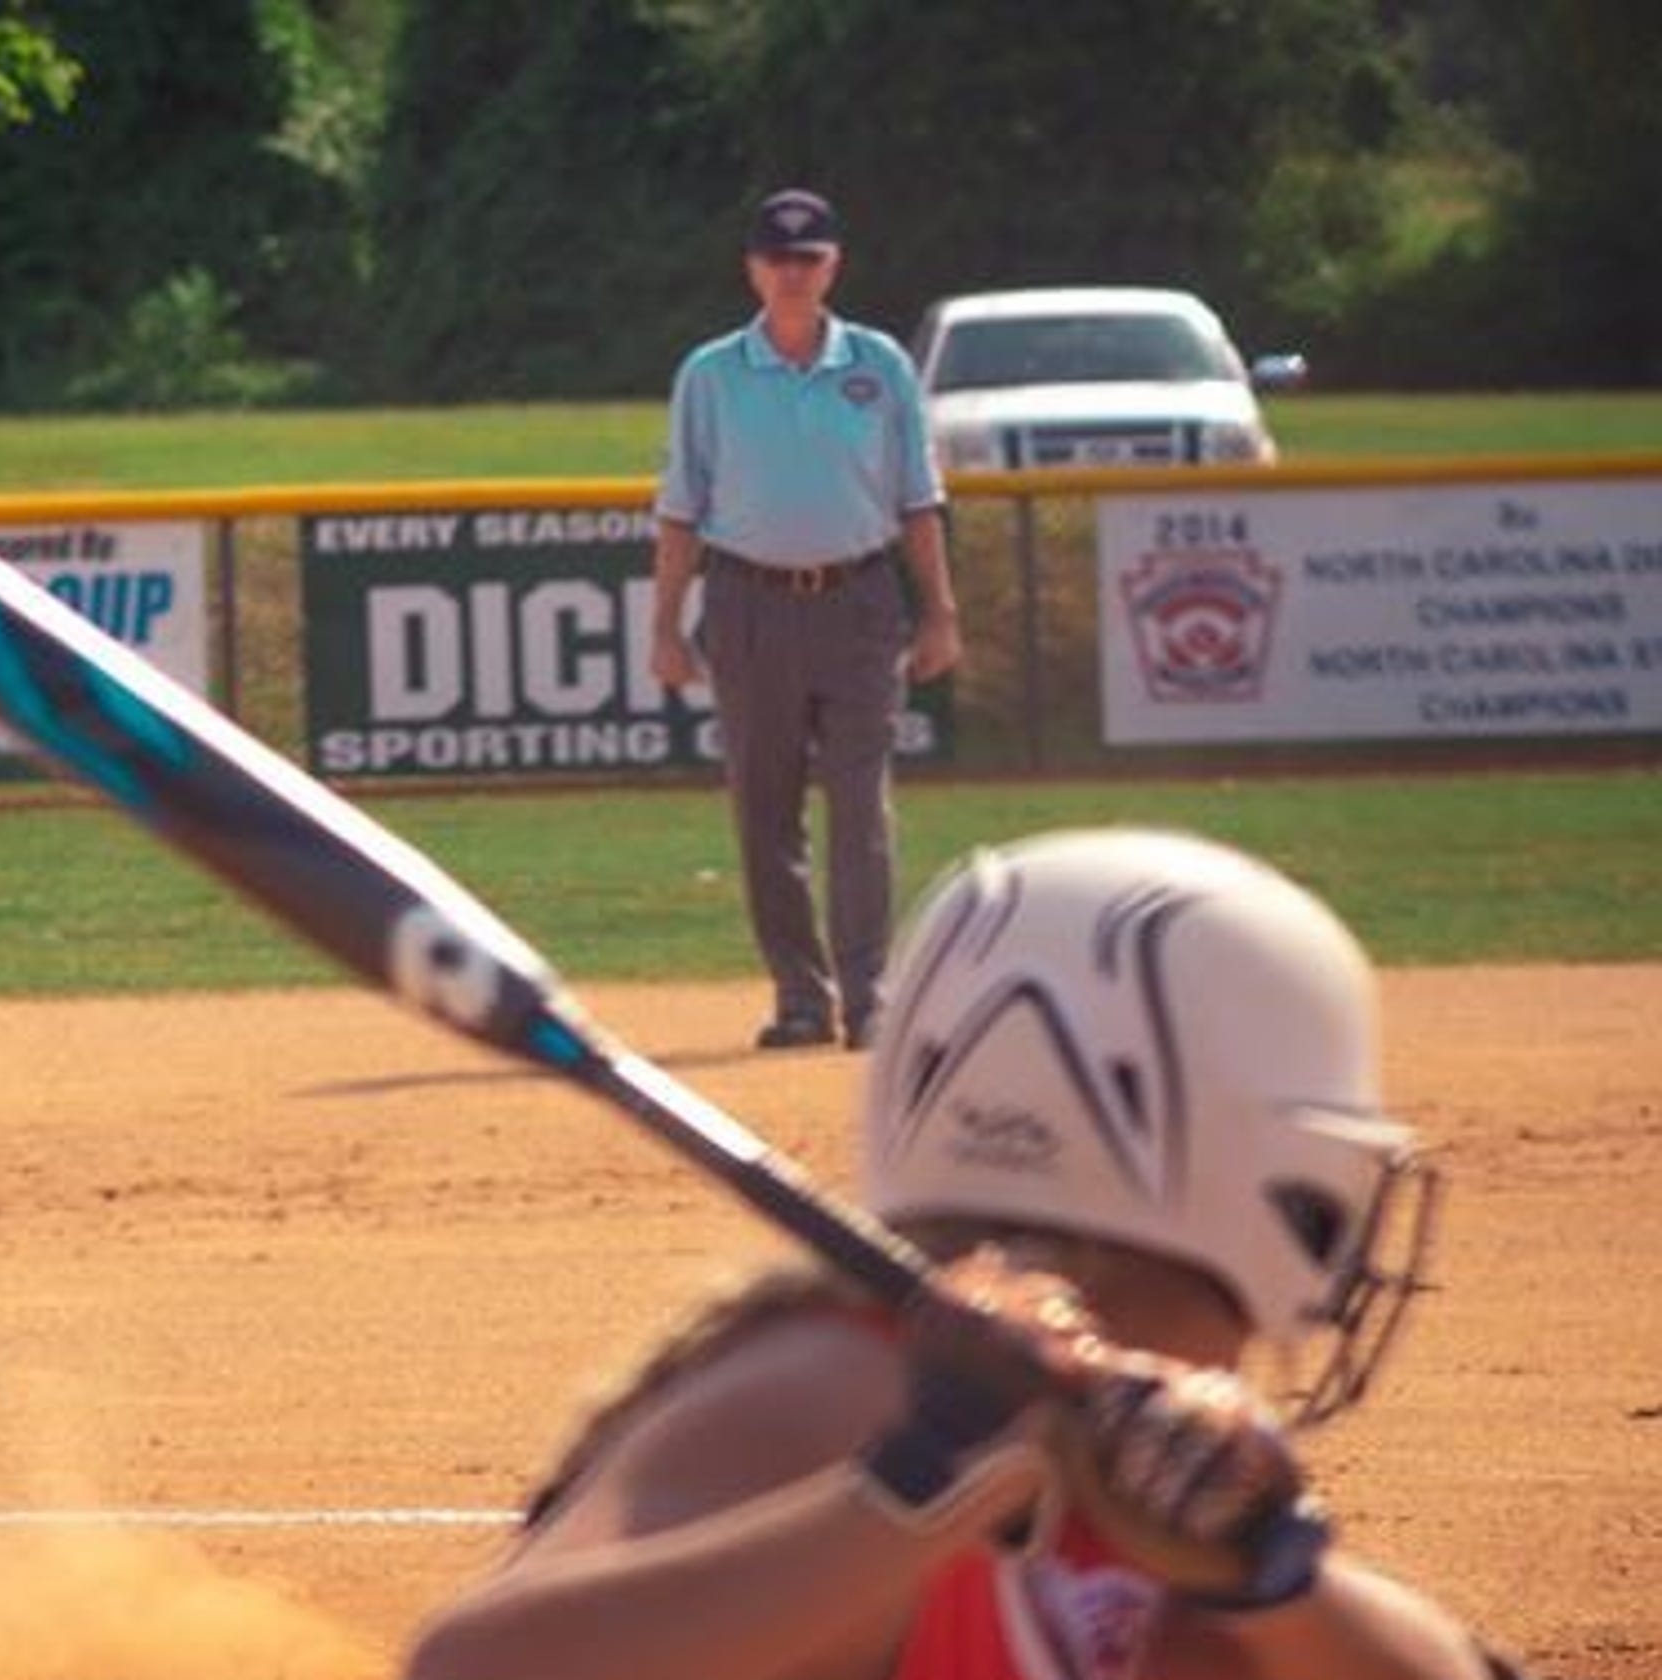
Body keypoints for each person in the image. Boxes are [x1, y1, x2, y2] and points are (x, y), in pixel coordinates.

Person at [402, 827, 1521, 1680]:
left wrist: (1274, 1578)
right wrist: (912, 1488)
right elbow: (470, 1667)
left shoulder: (1147, 1460)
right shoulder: (841, 1385)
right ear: (1258, 1166)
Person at [648, 187, 964, 1052]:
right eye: (778, 258)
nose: (793, 272)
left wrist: (939, 612)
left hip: (861, 601)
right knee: (764, 809)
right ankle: (799, 996)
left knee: (861, 807)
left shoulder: (880, 365)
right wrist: (666, 626)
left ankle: (867, 997)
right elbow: (681, 508)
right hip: (748, 602)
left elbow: (917, 499)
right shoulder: (711, 372)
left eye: (810, 258)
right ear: (753, 266)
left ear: (834, 264)